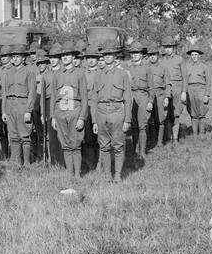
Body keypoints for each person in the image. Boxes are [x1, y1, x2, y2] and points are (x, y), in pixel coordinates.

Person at [88, 42, 132, 182]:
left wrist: (127, 120)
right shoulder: (98, 75)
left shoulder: (123, 74)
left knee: (118, 145)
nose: (107, 57)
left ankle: (118, 175)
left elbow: (128, 99)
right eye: (105, 55)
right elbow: (94, 99)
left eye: (110, 54)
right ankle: (107, 175)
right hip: (101, 113)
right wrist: (94, 120)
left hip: (117, 111)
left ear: (115, 56)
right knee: (104, 146)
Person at [49, 40, 91, 179]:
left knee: (76, 144)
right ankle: (70, 173)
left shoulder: (80, 73)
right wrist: (53, 116)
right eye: (63, 55)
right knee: (65, 145)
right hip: (60, 113)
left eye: (68, 55)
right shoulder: (56, 74)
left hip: (75, 111)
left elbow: (85, 97)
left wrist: (81, 117)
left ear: (74, 57)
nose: (65, 57)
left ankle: (78, 174)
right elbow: (54, 97)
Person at [1, 43, 38, 167]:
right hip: (10, 106)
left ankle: (27, 163)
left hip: (23, 105)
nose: (15, 59)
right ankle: (16, 162)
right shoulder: (7, 73)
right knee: (13, 135)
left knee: (24, 135)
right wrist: (4, 111)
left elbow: (32, 93)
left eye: (18, 56)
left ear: (23, 58)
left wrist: (28, 110)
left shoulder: (29, 72)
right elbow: (5, 93)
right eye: (14, 57)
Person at [122, 41, 152, 164]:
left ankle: (142, 151)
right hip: (131, 96)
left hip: (143, 96)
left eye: (137, 53)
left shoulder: (147, 68)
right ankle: (135, 150)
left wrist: (150, 101)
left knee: (142, 125)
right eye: (133, 53)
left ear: (141, 54)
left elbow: (151, 87)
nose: (135, 55)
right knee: (133, 125)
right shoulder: (127, 69)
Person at [180, 41, 212, 137]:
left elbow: (209, 82)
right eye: (192, 55)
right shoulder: (186, 67)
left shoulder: (204, 67)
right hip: (190, 90)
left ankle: (201, 134)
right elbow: (184, 80)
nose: (194, 56)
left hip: (201, 89)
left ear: (199, 56)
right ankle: (194, 134)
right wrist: (184, 92)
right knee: (193, 113)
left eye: (196, 54)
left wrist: (207, 94)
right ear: (190, 56)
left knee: (201, 112)